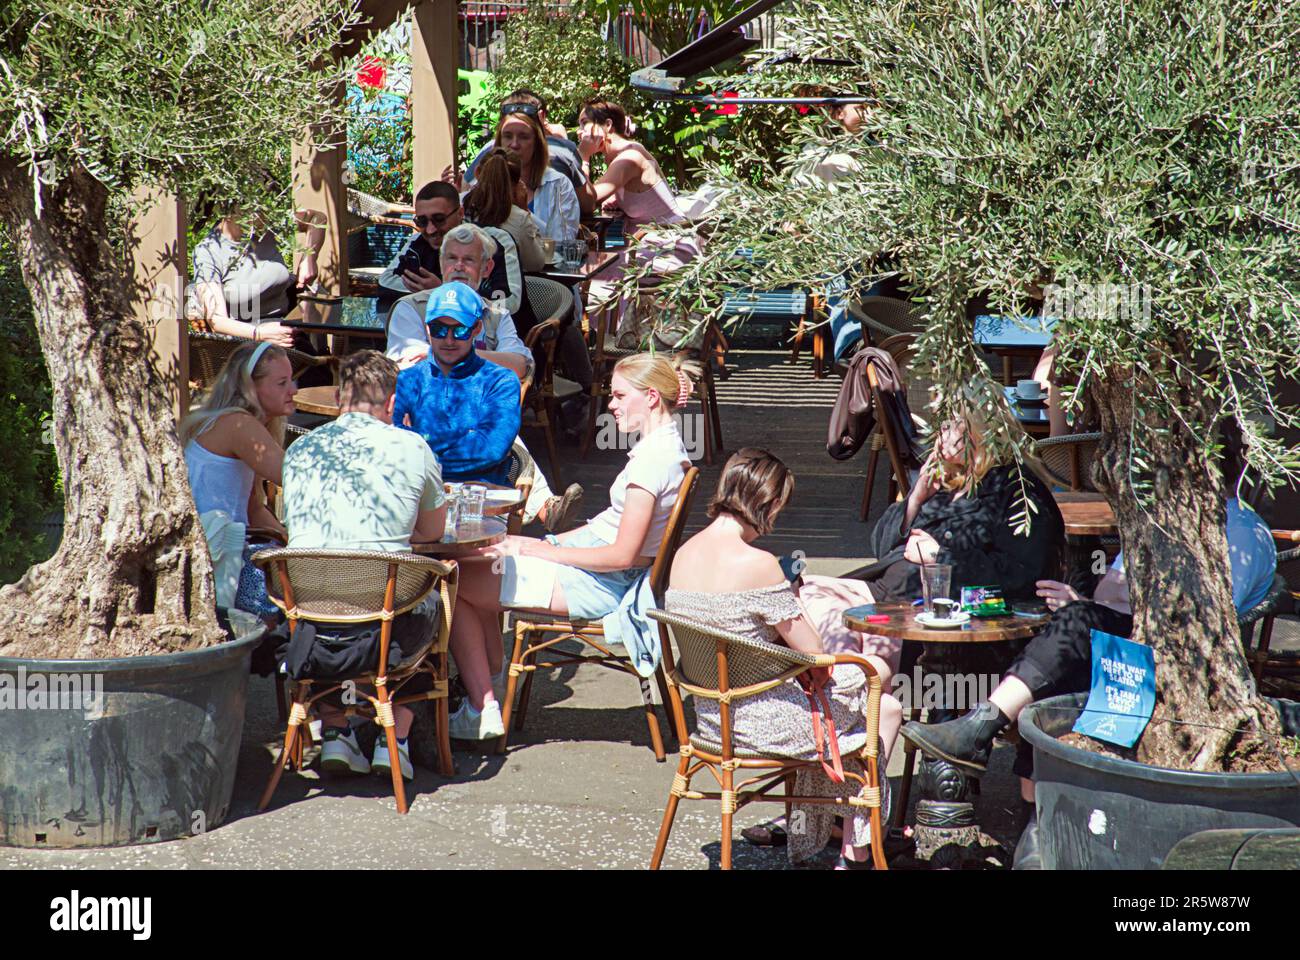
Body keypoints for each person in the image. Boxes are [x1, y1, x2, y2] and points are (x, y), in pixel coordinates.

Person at [900, 468, 1278, 785]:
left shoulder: (1240, 532)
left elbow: (1202, 616)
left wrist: (1100, 606)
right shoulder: (1165, 523)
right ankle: (1030, 811)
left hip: (1181, 658)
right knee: (1060, 635)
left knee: (1072, 630)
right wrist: (1090, 604)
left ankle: (979, 731)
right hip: (1130, 629)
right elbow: (1108, 589)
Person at [666, 448, 903, 869]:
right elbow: (817, 658)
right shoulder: (759, 565)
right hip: (759, 726)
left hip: (709, 717)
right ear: (769, 503)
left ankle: (829, 832)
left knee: (842, 700)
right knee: (882, 703)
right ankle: (859, 849)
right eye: (779, 507)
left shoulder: (682, 555)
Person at [442, 353, 694, 740]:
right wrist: (542, 541)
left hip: (601, 584)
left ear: (652, 398)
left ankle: (482, 705)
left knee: (453, 581)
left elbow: (621, 555)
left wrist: (545, 551)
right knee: (483, 559)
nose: (611, 405)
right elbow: (607, 527)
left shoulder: (651, 465)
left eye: (620, 396)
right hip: (604, 576)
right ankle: (487, 690)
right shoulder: (666, 450)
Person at [278, 351, 449, 779]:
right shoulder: (412, 446)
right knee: (438, 594)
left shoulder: (300, 449)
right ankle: (399, 740)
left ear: (339, 397)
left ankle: (336, 731)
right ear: (391, 405)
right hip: (384, 623)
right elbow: (432, 531)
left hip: (310, 620)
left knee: (353, 599)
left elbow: (291, 524)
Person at [386, 224, 583, 534]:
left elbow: (521, 362)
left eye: (469, 260)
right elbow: (406, 366)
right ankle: (543, 506)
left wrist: (468, 360)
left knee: (496, 424)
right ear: (441, 263)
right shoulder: (413, 308)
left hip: (482, 402)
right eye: (452, 258)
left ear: (486, 267)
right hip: (427, 404)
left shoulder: (496, 313)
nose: (459, 267)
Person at [859, 403, 1065, 606]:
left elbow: (1021, 576)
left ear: (980, 430)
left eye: (951, 424)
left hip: (934, 608)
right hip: (889, 589)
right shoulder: (948, 479)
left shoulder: (1016, 492)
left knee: (831, 609)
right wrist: (915, 499)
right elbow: (880, 547)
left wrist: (939, 556)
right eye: (941, 424)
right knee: (828, 601)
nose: (942, 433)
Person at [180, 341, 296, 618]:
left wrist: (291, 542)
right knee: (306, 591)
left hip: (218, 546)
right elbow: (299, 478)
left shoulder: (233, 421)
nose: (293, 390)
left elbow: (254, 508)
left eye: (292, 380)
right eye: (282, 383)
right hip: (215, 554)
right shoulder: (238, 425)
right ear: (251, 387)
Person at [575, 99, 702, 347]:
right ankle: (608, 342)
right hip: (651, 241)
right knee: (592, 262)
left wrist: (583, 156)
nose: (579, 132)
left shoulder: (629, 158)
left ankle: (614, 344)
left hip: (668, 248)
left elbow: (587, 202)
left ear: (607, 125)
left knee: (591, 270)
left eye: (583, 124)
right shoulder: (629, 153)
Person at [393, 282, 521, 487]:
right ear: (427, 329)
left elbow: (490, 448)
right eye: (439, 329)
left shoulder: (500, 381)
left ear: (476, 329)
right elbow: (390, 442)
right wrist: (464, 437)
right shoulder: (406, 380)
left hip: (479, 497)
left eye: (460, 330)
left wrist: (418, 443)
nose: (449, 340)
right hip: (414, 492)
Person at [377, 181, 530, 328]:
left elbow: (509, 304)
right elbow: (385, 282)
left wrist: (443, 291)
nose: (430, 230)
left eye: (439, 219)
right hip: (438, 338)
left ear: (460, 213)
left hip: (499, 341)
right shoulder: (418, 241)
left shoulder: (496, 242)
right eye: (422, 221)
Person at [189, 209, 327, 349]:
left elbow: (317, 218)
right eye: (257, 211)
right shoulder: (207, 252)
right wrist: (260, 333)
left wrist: (309, 258)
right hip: (247, 337)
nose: (263, 216)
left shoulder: (265, 223)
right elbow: (217, 320)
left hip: (287, 323)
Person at [465, 94, 581, 243]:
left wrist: (523, 213)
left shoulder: (558, 185)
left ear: (537, 143)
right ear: (499, 140)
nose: (514, 144)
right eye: (507, 136)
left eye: (523, 137)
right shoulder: (482, 183)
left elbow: (562, 244)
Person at [464, 148, 547, 273]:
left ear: (477, 173)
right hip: (503, 290)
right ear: (517, 183)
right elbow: (536, 264)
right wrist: (524, 209)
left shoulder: (458, 206)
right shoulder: (519, 218)